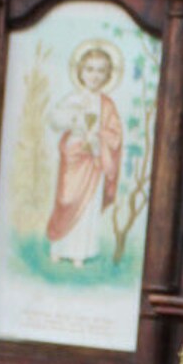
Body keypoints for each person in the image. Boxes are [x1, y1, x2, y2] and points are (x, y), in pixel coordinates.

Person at [45, 42, 122, 265]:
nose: (95, 76)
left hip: (94, 159)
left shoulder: (107, 105)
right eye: (90, 69)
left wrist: (99, 139)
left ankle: (80, 253)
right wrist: (72, 118)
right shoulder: (73, 98)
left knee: (87, 204)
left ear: (108, 74)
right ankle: (59, 248)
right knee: (66, 199)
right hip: (73, 156)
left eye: (100, 70)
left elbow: (115, 135)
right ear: (80, 71)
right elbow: (55, 119)